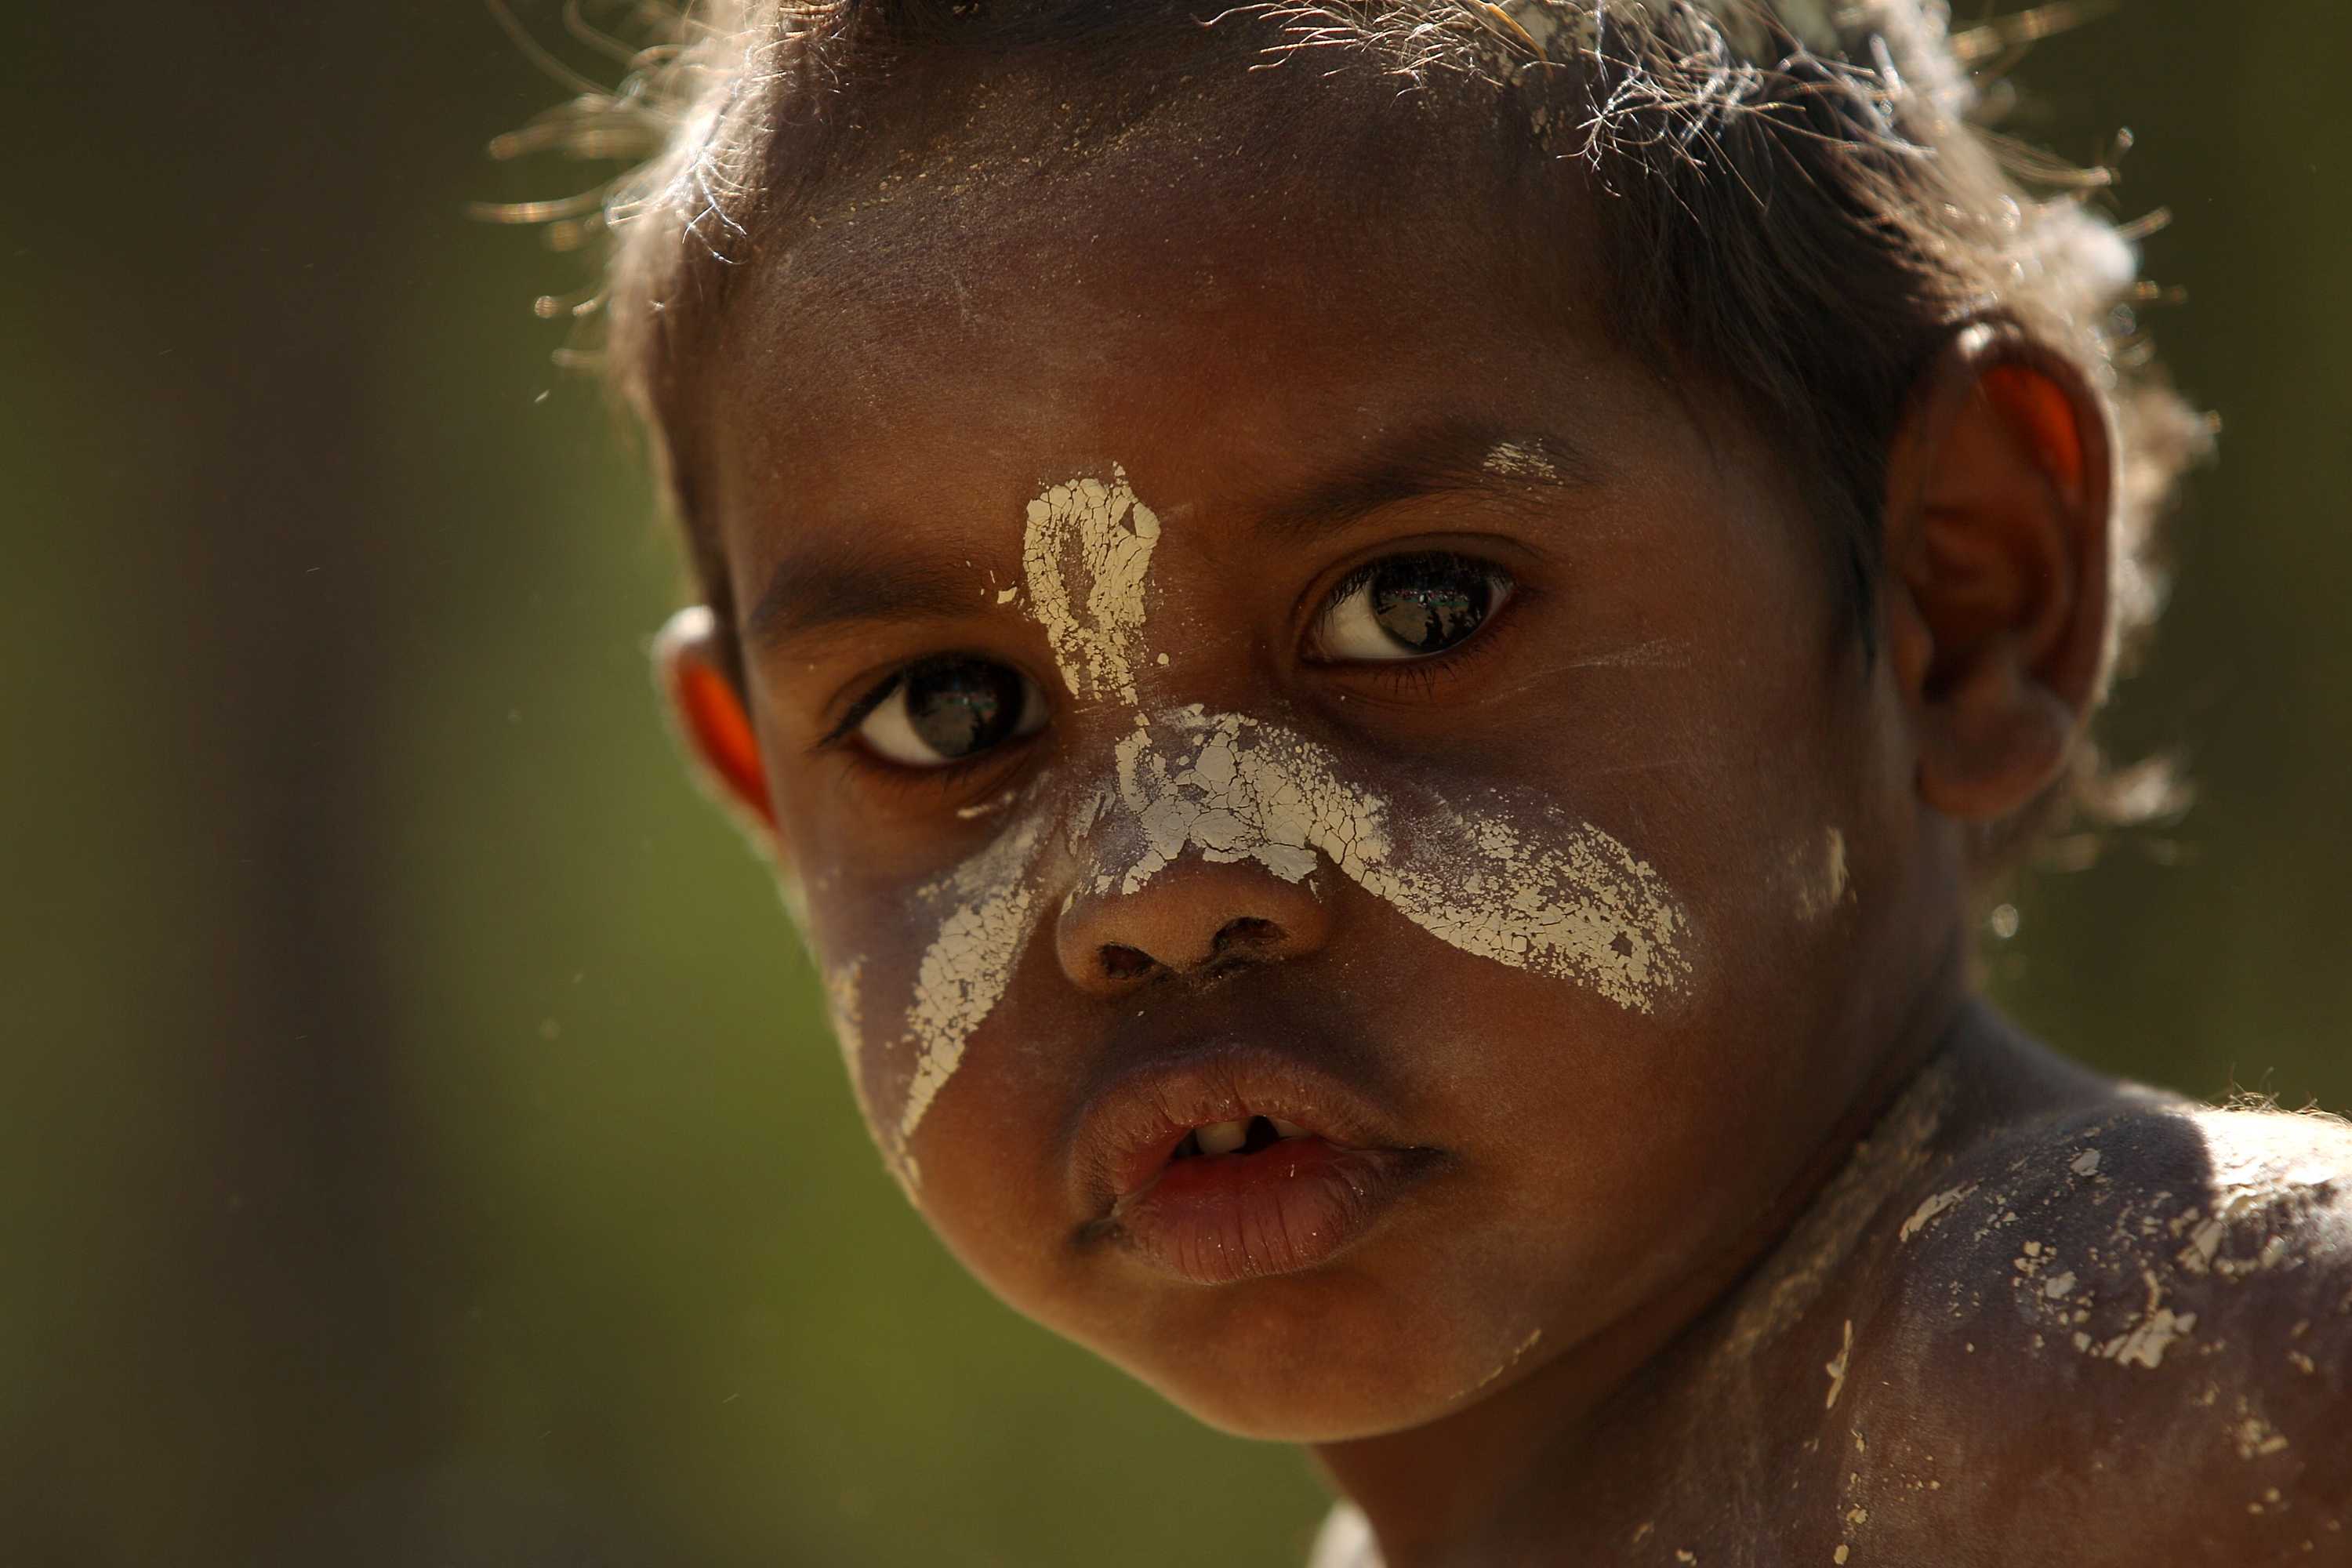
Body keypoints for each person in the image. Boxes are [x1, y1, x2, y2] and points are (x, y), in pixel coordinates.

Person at [520, 1, 2351, 1559]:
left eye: (1415, 607)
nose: (1164, 885)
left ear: (1965, 587)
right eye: (949, 714)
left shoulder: (2185, 1374)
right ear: (771, 800)